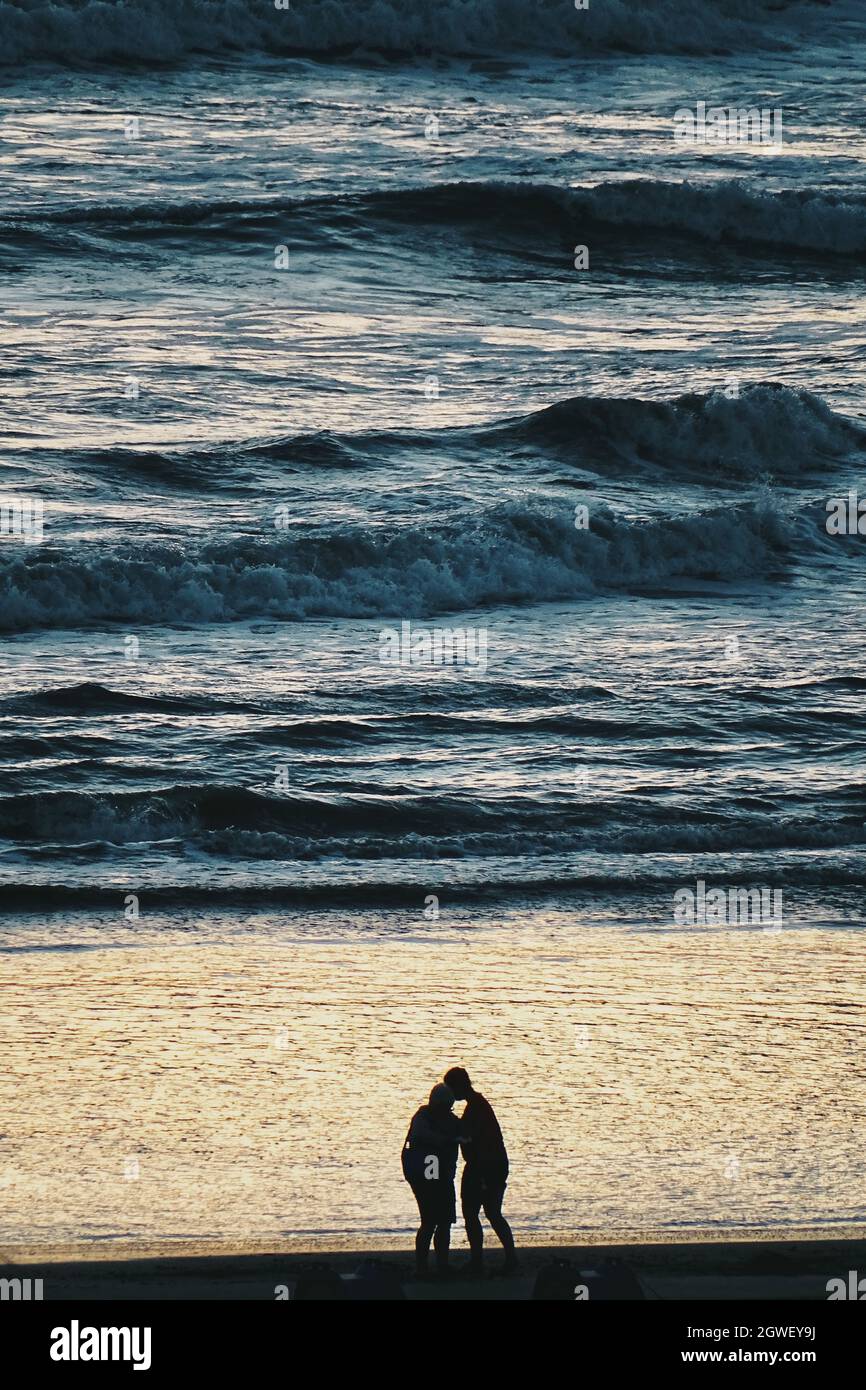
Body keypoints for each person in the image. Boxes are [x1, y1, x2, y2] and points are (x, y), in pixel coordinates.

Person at [443, 1066, 518, 1276]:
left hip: (485, 1166)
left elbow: (469, 1137)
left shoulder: (476, 1107)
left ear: (459, 1086)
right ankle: (504, 1258)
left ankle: (482, 1260)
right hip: (492, 1164)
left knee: (478, 1212)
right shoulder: (477, 1105)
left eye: (451, 1089)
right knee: (489, 1212)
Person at [401, 1082, 462, 1279]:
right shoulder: (423, 1118)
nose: (447, 1110)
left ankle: (440, 1264)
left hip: (439, 1174)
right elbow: (425, 1137)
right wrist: (448, 1140)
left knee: (443, 1221)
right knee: (430, 1220)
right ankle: (423, 1267)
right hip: (429, 1174)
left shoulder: (447, 1120)